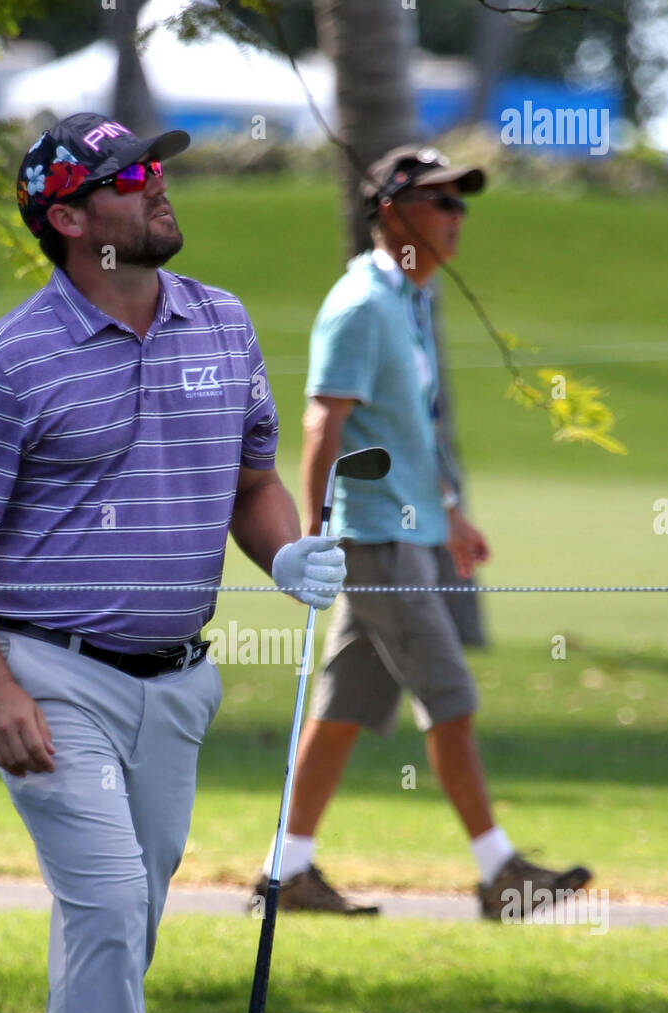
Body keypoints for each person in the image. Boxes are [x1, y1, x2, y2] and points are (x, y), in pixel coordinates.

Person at [0, 113, 346, 1013]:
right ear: (67, 219)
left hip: (175, 689)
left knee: (113, 938)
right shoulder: (11, 359)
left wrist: (285, 551)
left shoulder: (223, 321)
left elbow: (254, 481)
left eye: (157, 169)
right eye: (130, 177)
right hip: (50, 673)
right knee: (103, 911)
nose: (159, 188)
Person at [250, 144, 591, 921]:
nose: (457, 218)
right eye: (442, 202)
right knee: (451, 696)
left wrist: (451, 515)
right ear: (393, 212)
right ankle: (500, 873)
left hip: (408, 531)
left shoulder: (409, 302)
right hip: (372, 540)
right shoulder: (362, 303)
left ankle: (285, 874)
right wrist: (315, 532)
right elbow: (321, 420)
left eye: (461, 203)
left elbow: (411, 432)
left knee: (342, 713)